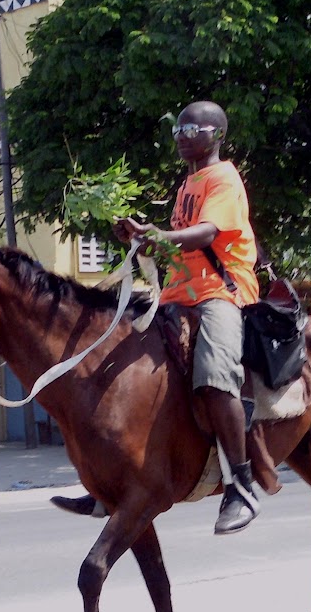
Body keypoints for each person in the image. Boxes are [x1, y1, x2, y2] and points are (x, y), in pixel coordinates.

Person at [52, 100, 263, 534]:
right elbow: (175, 244)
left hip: (220, 293)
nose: (182, 136)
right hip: (175, 294)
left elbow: (206, 233)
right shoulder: (187, 184)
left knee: (214, 374)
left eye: (192, 128)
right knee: (121, 360)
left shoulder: (223, 178)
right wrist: (142, 238)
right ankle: (108, 483)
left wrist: (163, 235)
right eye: (178, 129)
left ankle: (241, 485)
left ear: (216, 135)